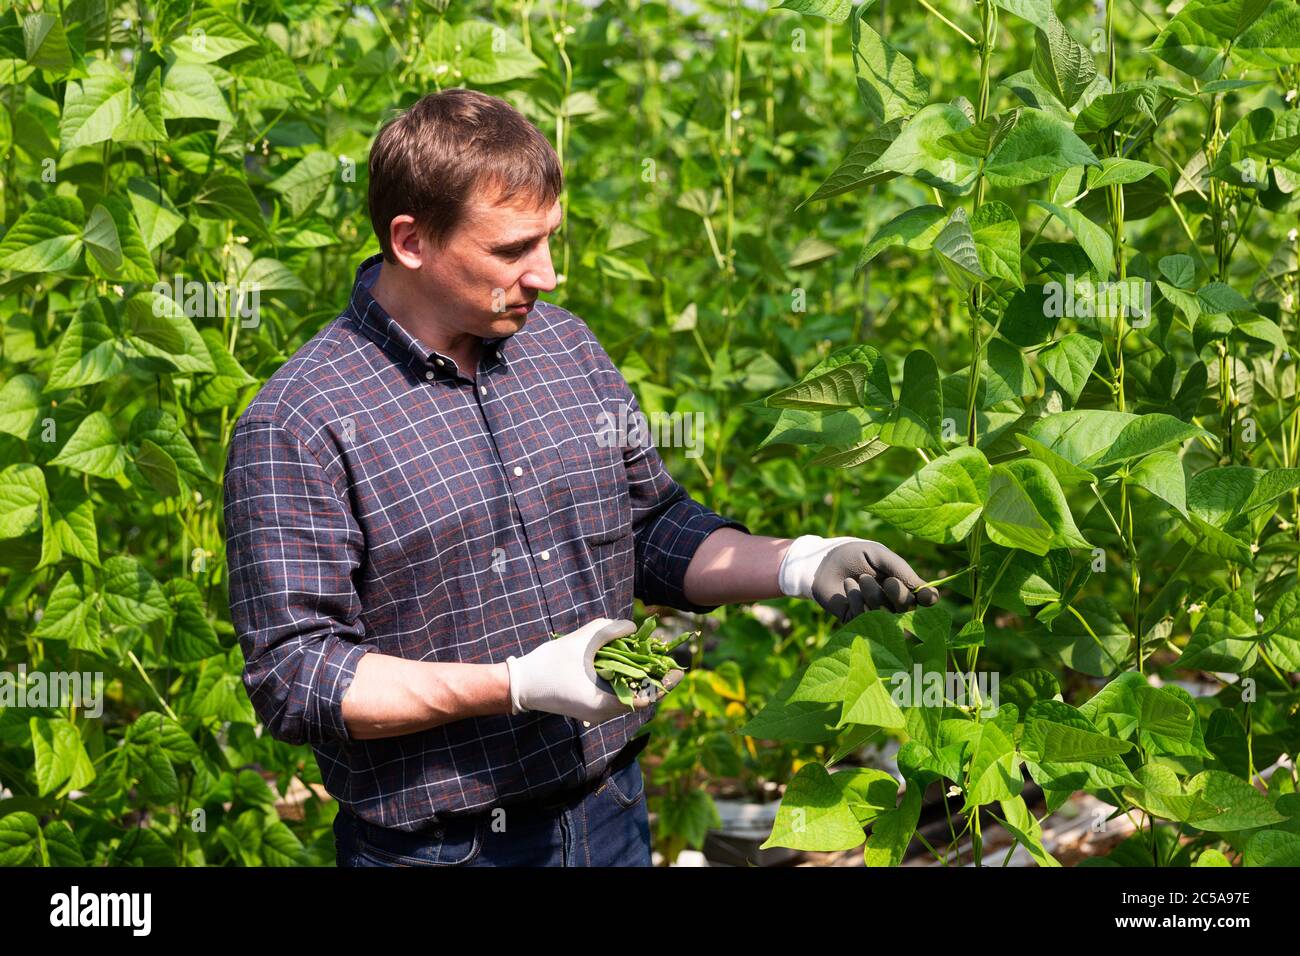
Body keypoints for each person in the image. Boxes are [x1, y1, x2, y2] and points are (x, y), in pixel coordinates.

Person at [222, 88, 937, 868]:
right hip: (445, 849)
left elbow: (651, 528)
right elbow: (299, 676)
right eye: (512, 251)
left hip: (613, 811)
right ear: (411, 240)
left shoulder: (562, 349)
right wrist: (518, 683)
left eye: (552, 239)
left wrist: (800, 561)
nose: (548, 275)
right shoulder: (301, 420)